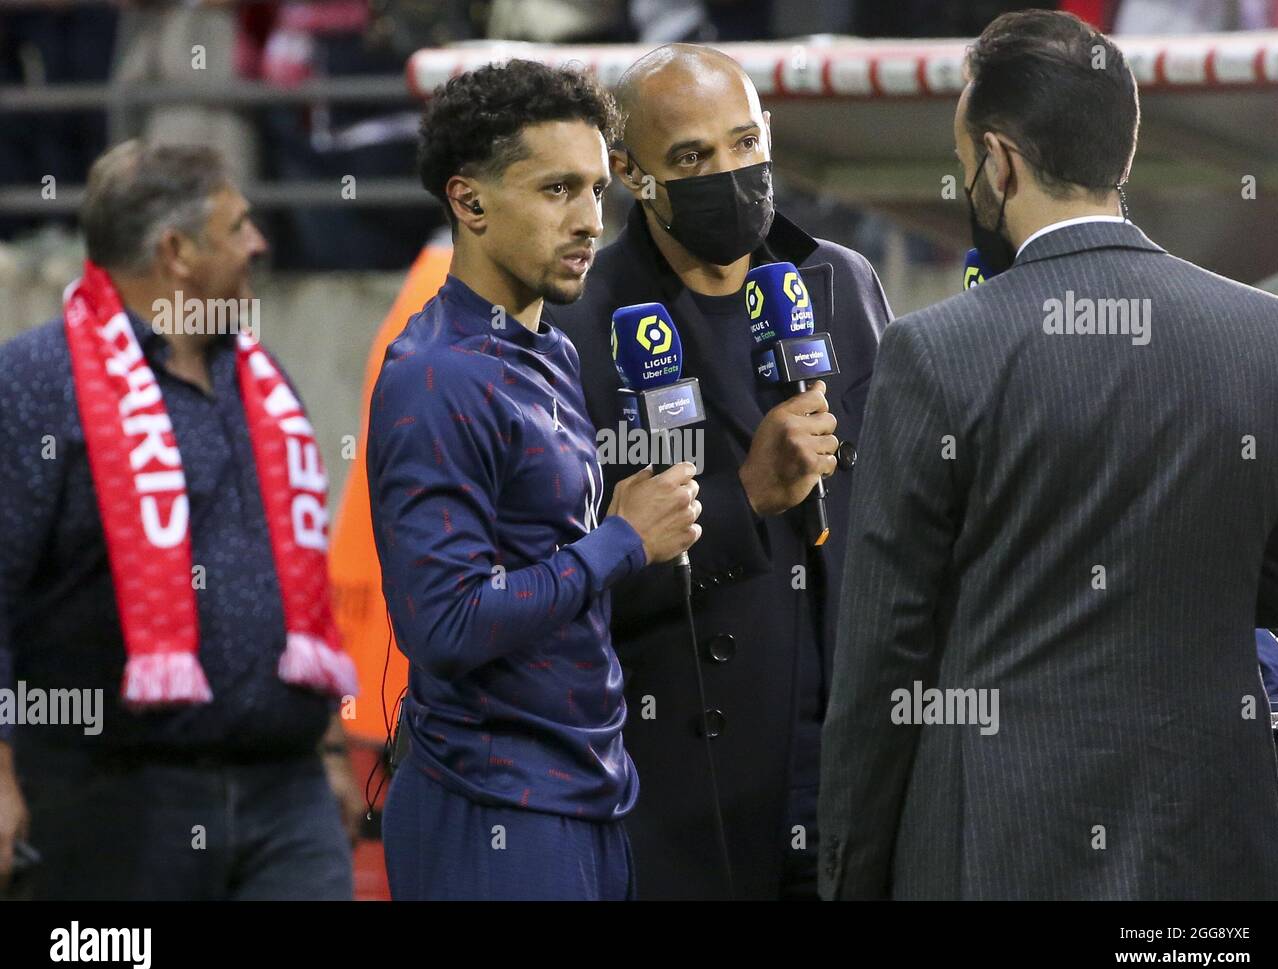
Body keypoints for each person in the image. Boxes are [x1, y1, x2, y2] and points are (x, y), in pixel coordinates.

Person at [819, 9, 1278, 900]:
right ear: (1121, 151)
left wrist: (847, 872)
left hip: (996, 852)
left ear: (997, 161)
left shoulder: (935, 354)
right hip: (1211, 861)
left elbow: (885, 659)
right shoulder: (1275, 338)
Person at [546, 44, 892, 899]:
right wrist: (744, 498)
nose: (730, 174)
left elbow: (901, 518)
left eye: (745, 144)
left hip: (850, 765)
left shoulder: (840, 285)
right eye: (693, 158)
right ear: (628, 171)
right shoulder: (576, 325)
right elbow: (559, 593)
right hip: (682, 791)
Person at [369, 59, 702, 901]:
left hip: (584, 790)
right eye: (558, 190)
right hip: (491, 805)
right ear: (469, 202)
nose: (590, 220)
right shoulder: (436, 376)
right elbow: (443, 623)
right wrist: (620, 542)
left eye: (597, 191)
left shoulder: (548, 347)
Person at [0, 140, 363, 899]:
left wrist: (330, 750)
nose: (260, 244)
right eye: (237, 227)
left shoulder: (261, 381)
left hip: (284, 793)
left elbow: (292, 580)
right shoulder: (37, 382)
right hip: (113, 800)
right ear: (176, 253)